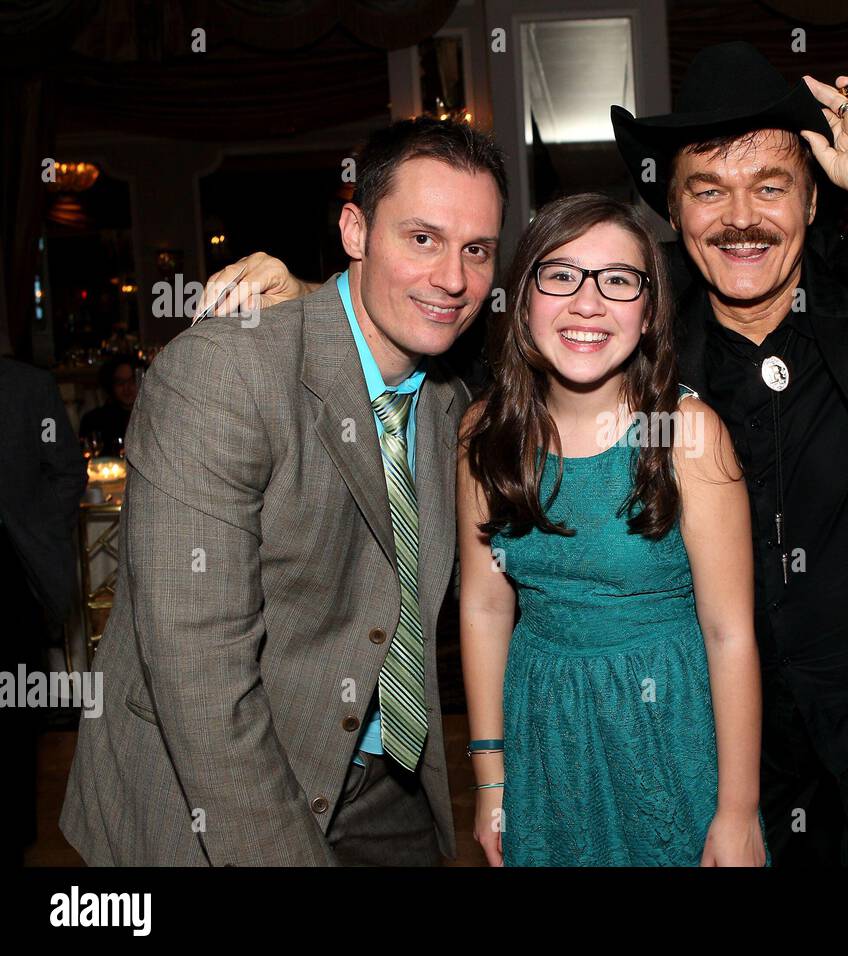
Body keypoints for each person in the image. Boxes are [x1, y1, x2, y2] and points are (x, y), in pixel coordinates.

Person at [208, 42, 848, 865]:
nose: (742, 217)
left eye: (771, 185)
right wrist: (324, 306)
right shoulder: (640, 336)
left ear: (817, 197)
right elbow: (487, 383)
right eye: (708, 189)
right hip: (732, 720)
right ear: (675, 214)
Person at [59, 117, 505, 865]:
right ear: (355, 230)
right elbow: (200, 670)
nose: (452, 278)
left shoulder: (449, 406)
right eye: (421, 239)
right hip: (209, 793)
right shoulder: (224, 373)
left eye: (477, 250)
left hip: (387, 781)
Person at [457, 193, 766, 866]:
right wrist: (490, 781)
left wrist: (738, 812)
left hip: (668, 736)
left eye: (618, 281)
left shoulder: (689, 436)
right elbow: (484, 607)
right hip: (544, 739)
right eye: (560, 275)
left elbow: (730, 632)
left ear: (650, 310)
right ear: (523, 297)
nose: (587, 304)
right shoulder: (485, 431)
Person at [0, 356, 86, 865]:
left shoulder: (27, 389)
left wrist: (31, 537)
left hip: (9, 581)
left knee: (12, 722)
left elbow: (68, 471)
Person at [78, 354, 138, 456]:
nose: (127, 388)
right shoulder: (94, 420)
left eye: (132, 381)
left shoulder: (152, 417)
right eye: (120, 382)